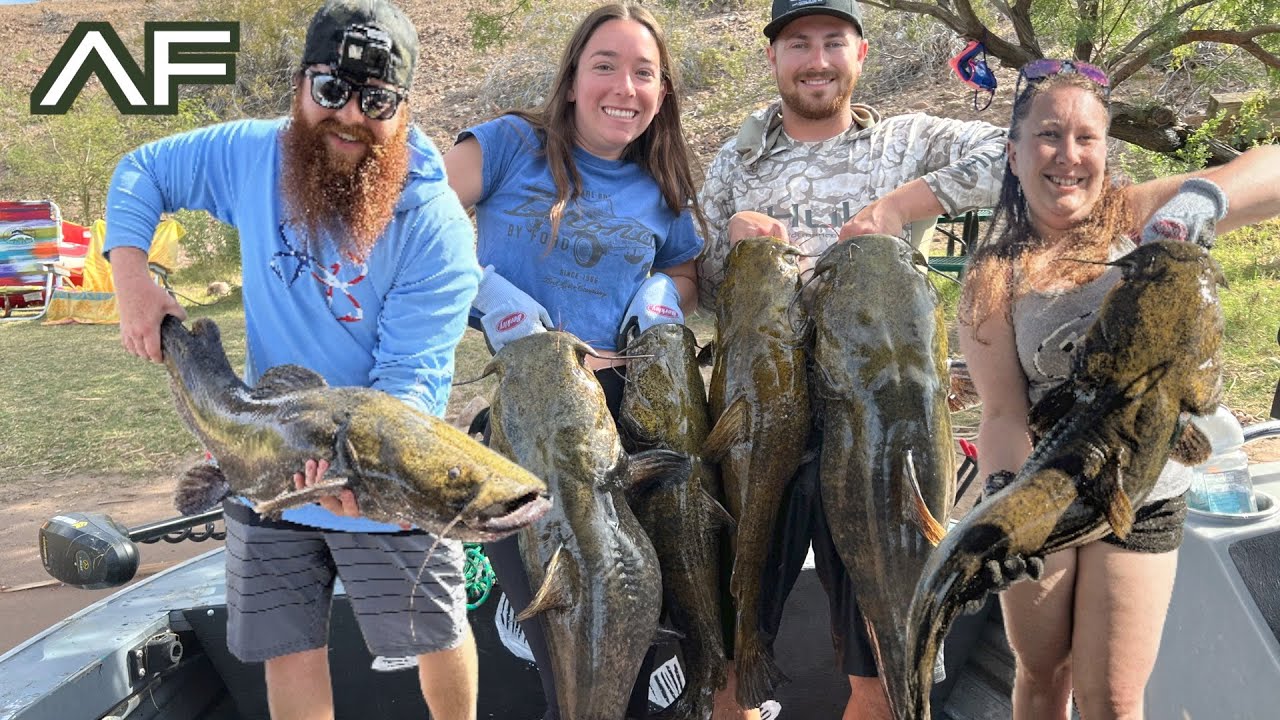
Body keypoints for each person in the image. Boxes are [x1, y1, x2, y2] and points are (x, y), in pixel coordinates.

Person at [104, 1, 483, 718]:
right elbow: (142, 168)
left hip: (380, 468)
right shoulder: (254, 155)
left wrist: (359, 476)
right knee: (289, 648)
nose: (350, 117)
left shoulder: (433, 226)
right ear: (300, 86)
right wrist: (131, 276)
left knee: (436, 632)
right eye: (332, 90)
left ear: (404, 110)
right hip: (263, 454)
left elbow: (410, 381)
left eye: (377, 101)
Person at [695, 0, 1007, 717]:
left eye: (834, 42)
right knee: (733, 660)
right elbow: (701, 284)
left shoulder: (907, 140)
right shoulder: (736, 161)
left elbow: (1014, 149)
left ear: (860, 55)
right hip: (759, 426)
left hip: (882, 430)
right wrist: (731, 245)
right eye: (798, 43)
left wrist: (901, 205)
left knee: (886, 656)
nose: (816, 60)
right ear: (773, 58)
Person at [957, 59, 1280, 720]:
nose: (1068, 155)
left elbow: (1274, 168)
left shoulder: (1134, 216)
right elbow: (1000, 415)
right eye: (1049, 135)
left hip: (1149, 491)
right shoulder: (992, 276)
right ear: (1014, 153)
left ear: (1106, 150)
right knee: (1043, 673)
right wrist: (1002, 503)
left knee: (1112, 697)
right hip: (1043, 489)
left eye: (1087, 138)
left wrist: (1201, 200)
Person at [442, 3, 705, 718]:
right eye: (605, 66)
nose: (624, 85)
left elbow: (686, 271)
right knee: (567, 647)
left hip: (627, 424)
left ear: (662, 93)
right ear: (570, 81)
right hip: (524, 423)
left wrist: (662, 297)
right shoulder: (506, 145)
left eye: (643, 73)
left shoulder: (663, 185)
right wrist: (480, 290)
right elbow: (413, 215)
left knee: (643, 642)